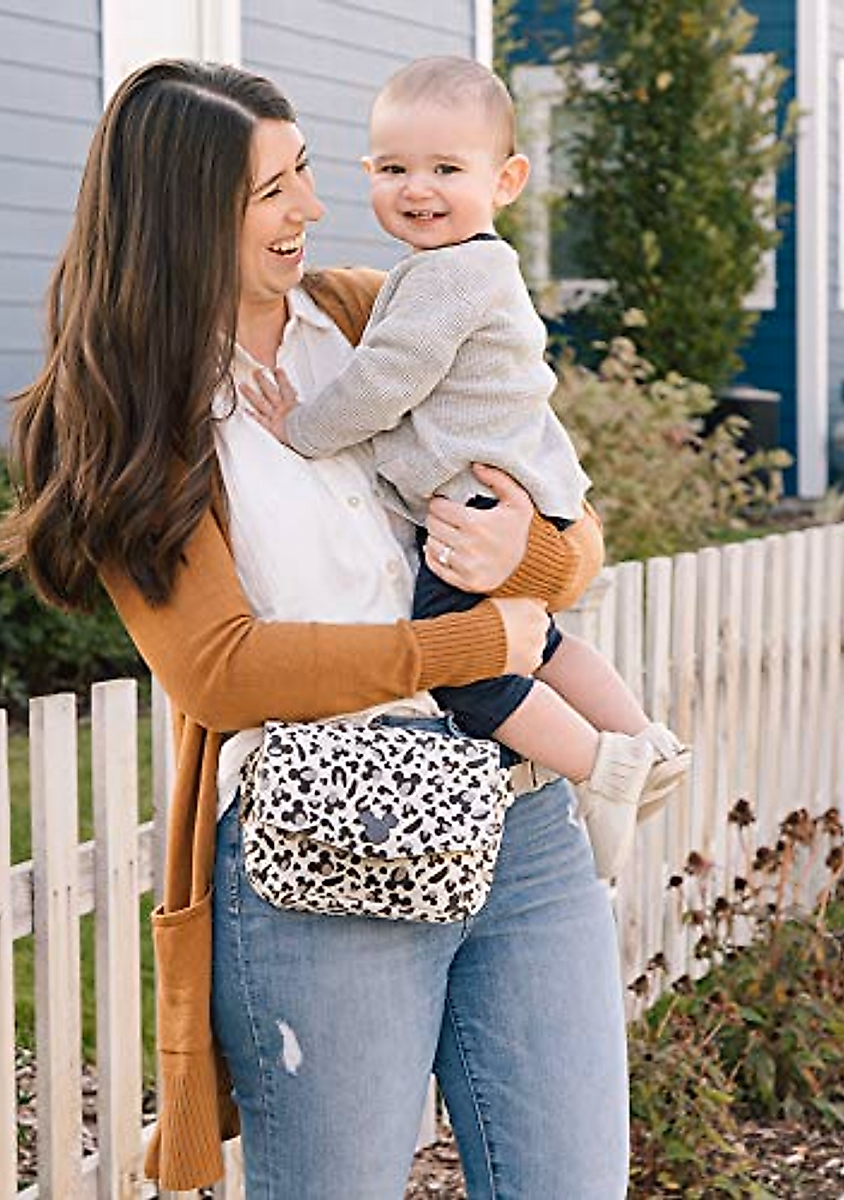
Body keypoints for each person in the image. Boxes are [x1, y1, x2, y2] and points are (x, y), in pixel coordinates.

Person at [0, 60, 630, 1198]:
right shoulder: (124, 419)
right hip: (328, 851)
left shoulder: (364, 313)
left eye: (304, 173)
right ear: (185, 219)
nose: (316, 208)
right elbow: (223, 672)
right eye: (272, 192)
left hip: (521, 822)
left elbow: (570, 534)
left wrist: (524, 558)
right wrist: (471, 649)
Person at [244, 57, 689, 880]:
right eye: (395, 169)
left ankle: (603, 766)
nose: (418, 188)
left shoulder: (439, 280)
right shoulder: (469, 269)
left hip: (481, 504)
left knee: (474, 679)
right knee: (547, 645)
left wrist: (299, 427)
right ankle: (648, 740)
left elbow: (380, 387)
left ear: (507, 179)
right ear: (370, 173)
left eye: (447, 169)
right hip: (525, 491)